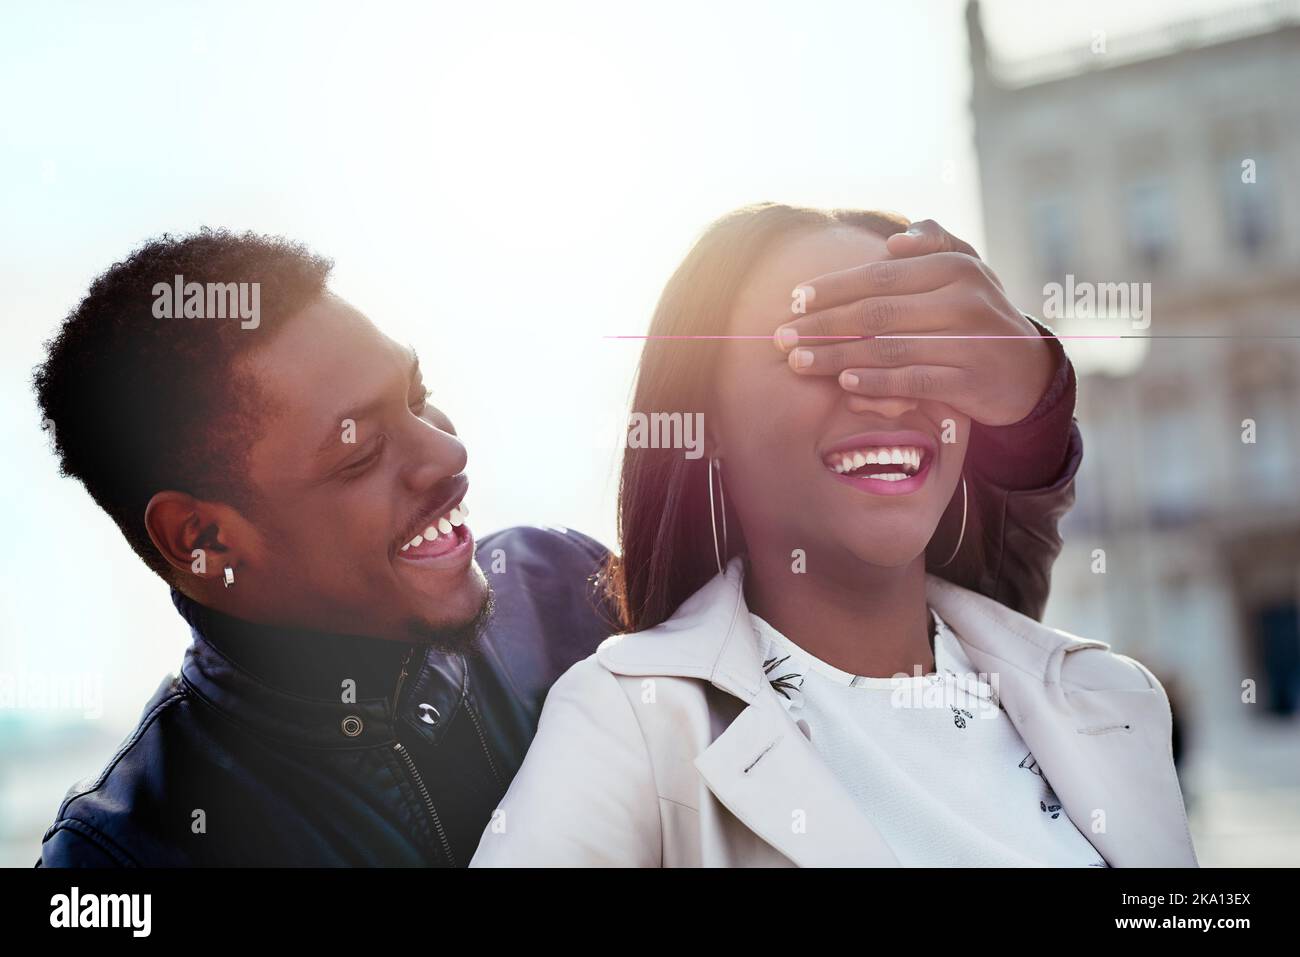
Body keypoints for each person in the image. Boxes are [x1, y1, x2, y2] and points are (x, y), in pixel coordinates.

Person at [35, 219, 1082, 866]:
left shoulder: (562, 590)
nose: (445, 456)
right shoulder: (129, 860)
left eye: (421, 396)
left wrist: (1024, 404)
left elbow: (917, 630)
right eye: (359, 454)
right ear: (203, 539)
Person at [470, 204, 1197, 868]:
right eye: (812, 350)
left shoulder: (1112, 698)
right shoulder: (624, 723)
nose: (884, 386)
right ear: (707, 422)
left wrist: (1036, 377)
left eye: (913, 345)